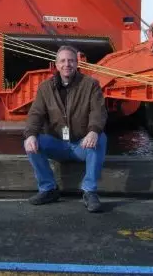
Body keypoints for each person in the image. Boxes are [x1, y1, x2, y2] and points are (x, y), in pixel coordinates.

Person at [23, 45, 107, 213]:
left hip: (81, 144)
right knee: (31, 142)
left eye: (70, 60)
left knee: (100, 138)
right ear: (56, 64)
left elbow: (98, 111)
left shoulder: (91, 85)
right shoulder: (45, 88)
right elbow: (35, 114)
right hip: (58, 144)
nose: (66, 64)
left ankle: (89, 191)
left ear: (77, 63)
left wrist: (93, 130)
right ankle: (48, 189)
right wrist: (30, 134)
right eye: (62, 61)